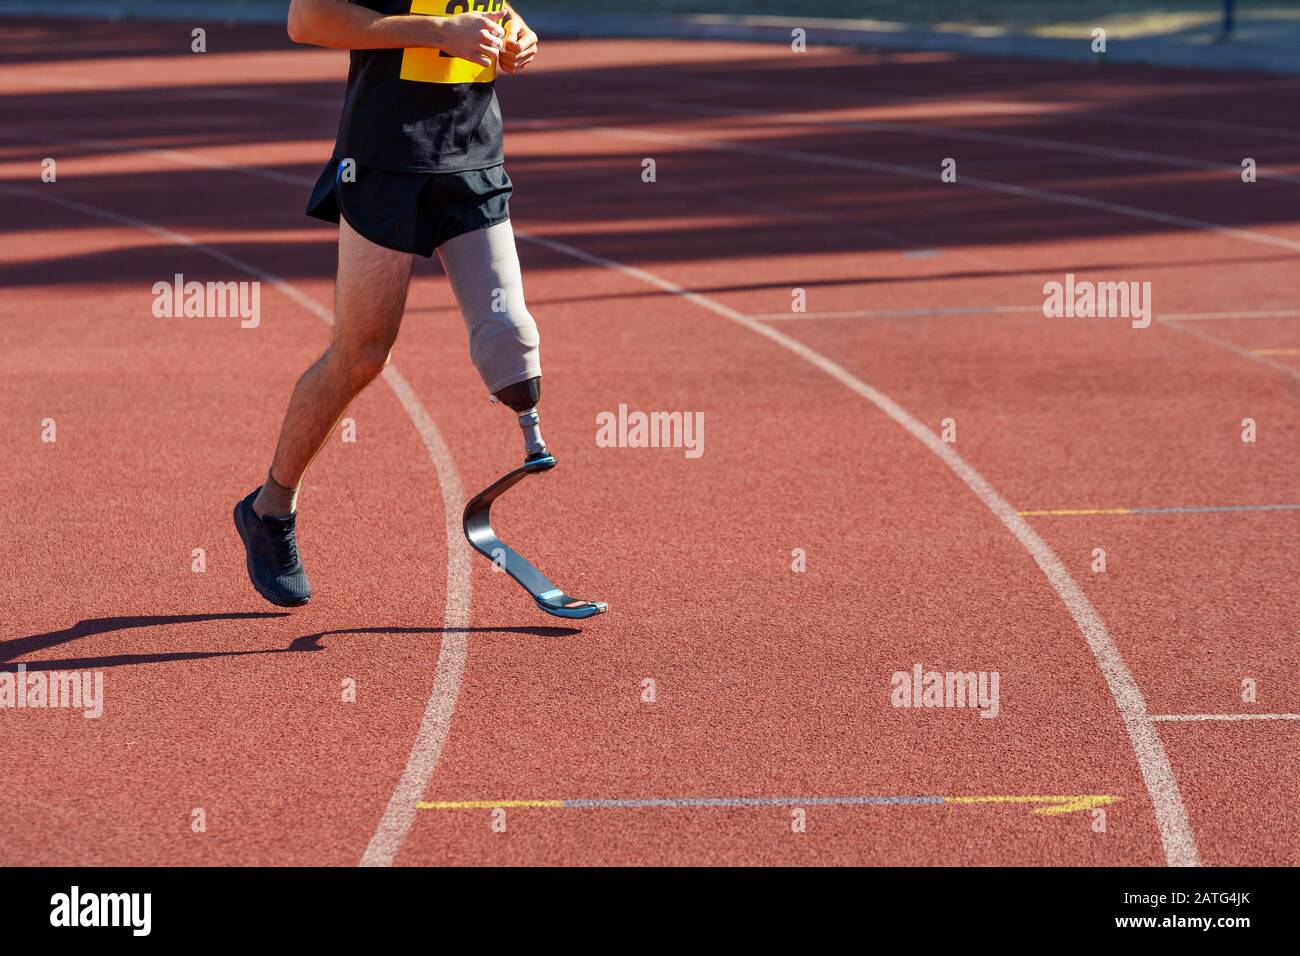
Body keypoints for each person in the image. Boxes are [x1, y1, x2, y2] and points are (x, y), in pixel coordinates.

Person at [234, 0, 547, 608]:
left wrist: (517, 29)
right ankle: (271, 509)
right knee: (362, 354)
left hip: (474, 152)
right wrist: (440, 33)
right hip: (387, 158)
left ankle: (532, 448)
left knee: (512, 341)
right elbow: (307, 19)